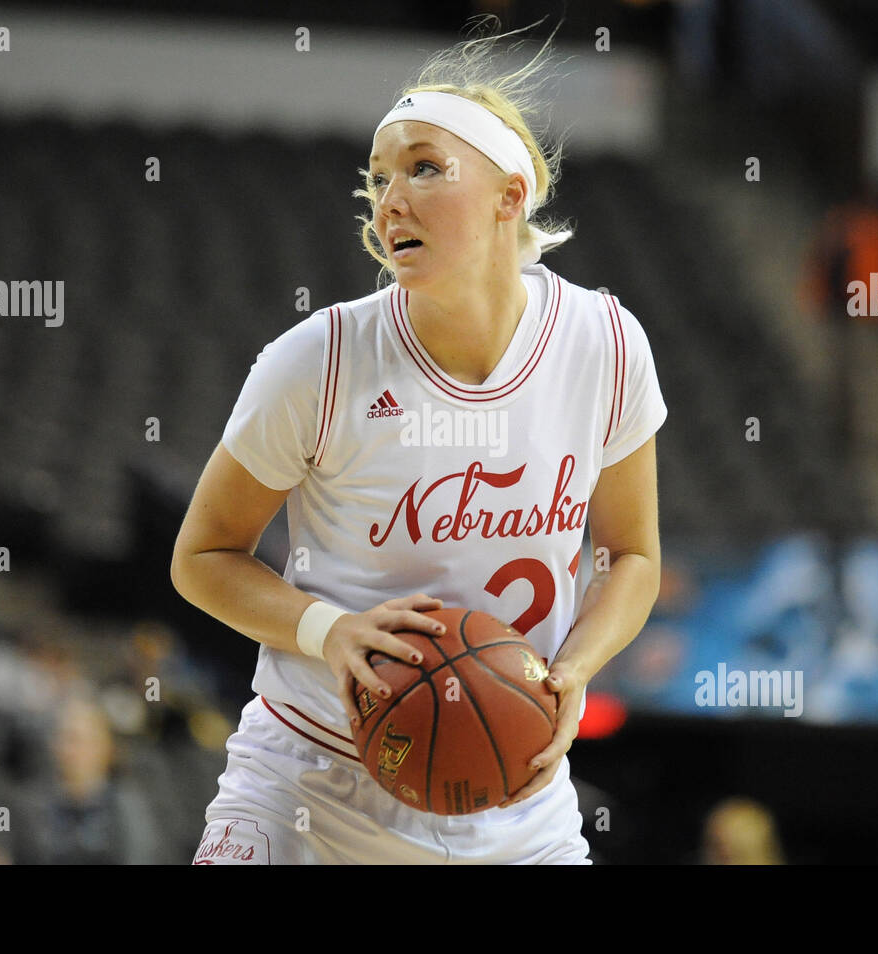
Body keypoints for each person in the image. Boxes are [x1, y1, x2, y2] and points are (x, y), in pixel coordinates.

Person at [171, 21, 666, 865]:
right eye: (379, 178)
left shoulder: (606, 344)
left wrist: (575, 669)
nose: (390, 198)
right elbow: (203, 556)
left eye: (425, 168)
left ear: (511, 194)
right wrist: (331, 630)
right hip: (314, 777)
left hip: (513, 788)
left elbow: (632, 556)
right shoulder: (317, 361)